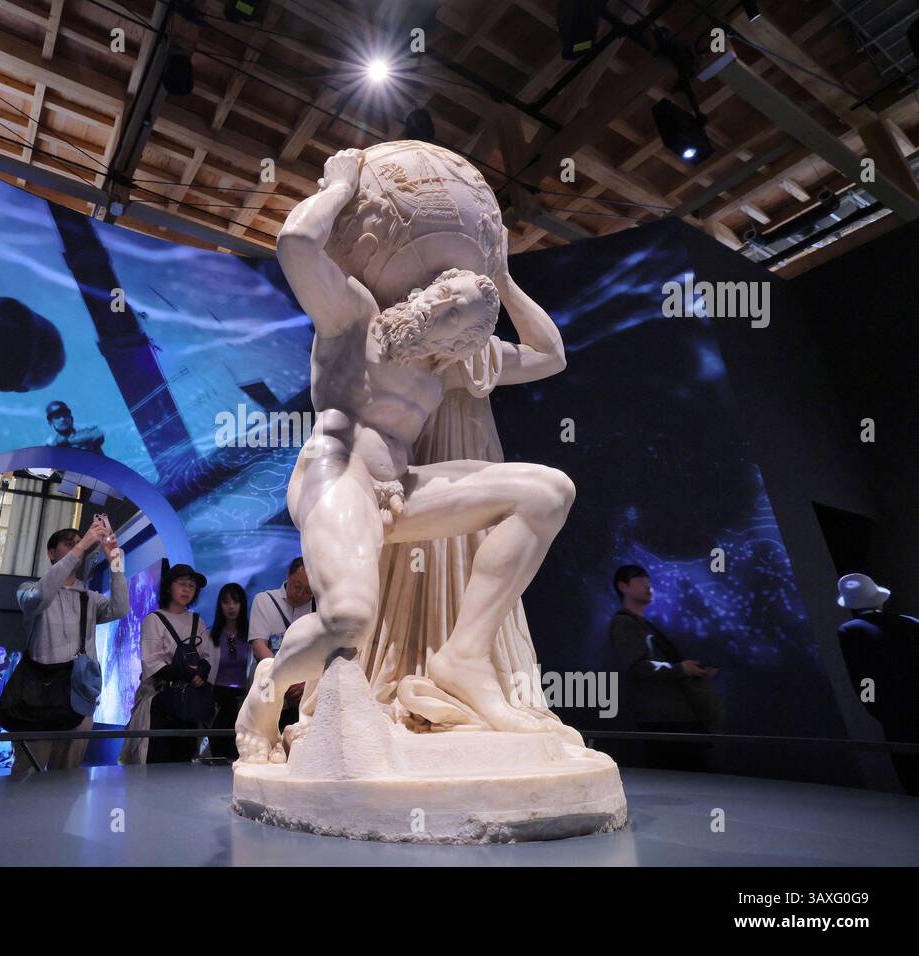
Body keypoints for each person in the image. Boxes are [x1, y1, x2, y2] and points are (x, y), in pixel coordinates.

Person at [234, 147, 585, 762]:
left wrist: (500, 277)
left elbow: (550, 353)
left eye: (459, 325)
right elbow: (295, 245)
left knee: (548, 491)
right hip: (337, 474)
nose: (442, 320)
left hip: (403, 488)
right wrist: (340, 189)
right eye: (445, 303)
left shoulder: (447, 368)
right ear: (427, 294)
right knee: (348, 618)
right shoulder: (355, 319)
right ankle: (270, 685)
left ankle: (463, 657)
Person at [10, 516, 127, 775]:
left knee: (68, 775)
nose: (79, 547)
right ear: (51, 553)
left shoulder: (89, 597)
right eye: (68, 543)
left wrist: (114, 559)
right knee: (27, 772)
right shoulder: (29, 590)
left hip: (80, 694)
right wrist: (83, 544)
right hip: (38, 695)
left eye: (80, 543)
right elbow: (40, 595)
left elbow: (120, 609)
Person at [608, 564, 718, 771]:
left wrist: (687, 670)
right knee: (681, 775)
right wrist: (681, 669)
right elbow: (636, 667)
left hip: (674, 717)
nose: (648, 586)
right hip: (662, 718)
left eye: (648, 581)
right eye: (640, 580)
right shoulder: (625, 624)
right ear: (623, 586)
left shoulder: (642, 624)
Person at [122, 564, 218, 764]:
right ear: (168, 587)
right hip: (160, 701)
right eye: (181, 584)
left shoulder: (197, 622)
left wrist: (202, 672)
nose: (186, 589)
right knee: (156, 760)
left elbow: (207, 656)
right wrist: (188, 674)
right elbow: (152, 662)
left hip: (189, 704)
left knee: (184, 761)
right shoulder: (154, 620)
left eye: (191, 586)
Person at [836, 573, 919, 795]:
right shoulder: (911, 622)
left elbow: (863, 677)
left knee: (910, 768)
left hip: (896, 709)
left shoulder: (852, 630)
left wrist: (874, 706)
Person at [248, 558, 315, 731]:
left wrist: (306, 684)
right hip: (270, 684)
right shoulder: (264, 601)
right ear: (288, 576)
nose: (301, 594)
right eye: (297, 586)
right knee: (265, 732)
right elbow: (259, 646)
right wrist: (287, 679)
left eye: (308, 590)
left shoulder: (319, 608)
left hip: (304, 692)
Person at [208, 583, 252, 760]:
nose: (231, 606)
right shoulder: (210, 635)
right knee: (219, 751)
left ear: (242, 604)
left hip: (244, 699)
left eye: (236, 601)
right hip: (217, 699)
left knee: (242, 751)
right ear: (220, 605)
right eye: (226, 602)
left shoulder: (252, 635)